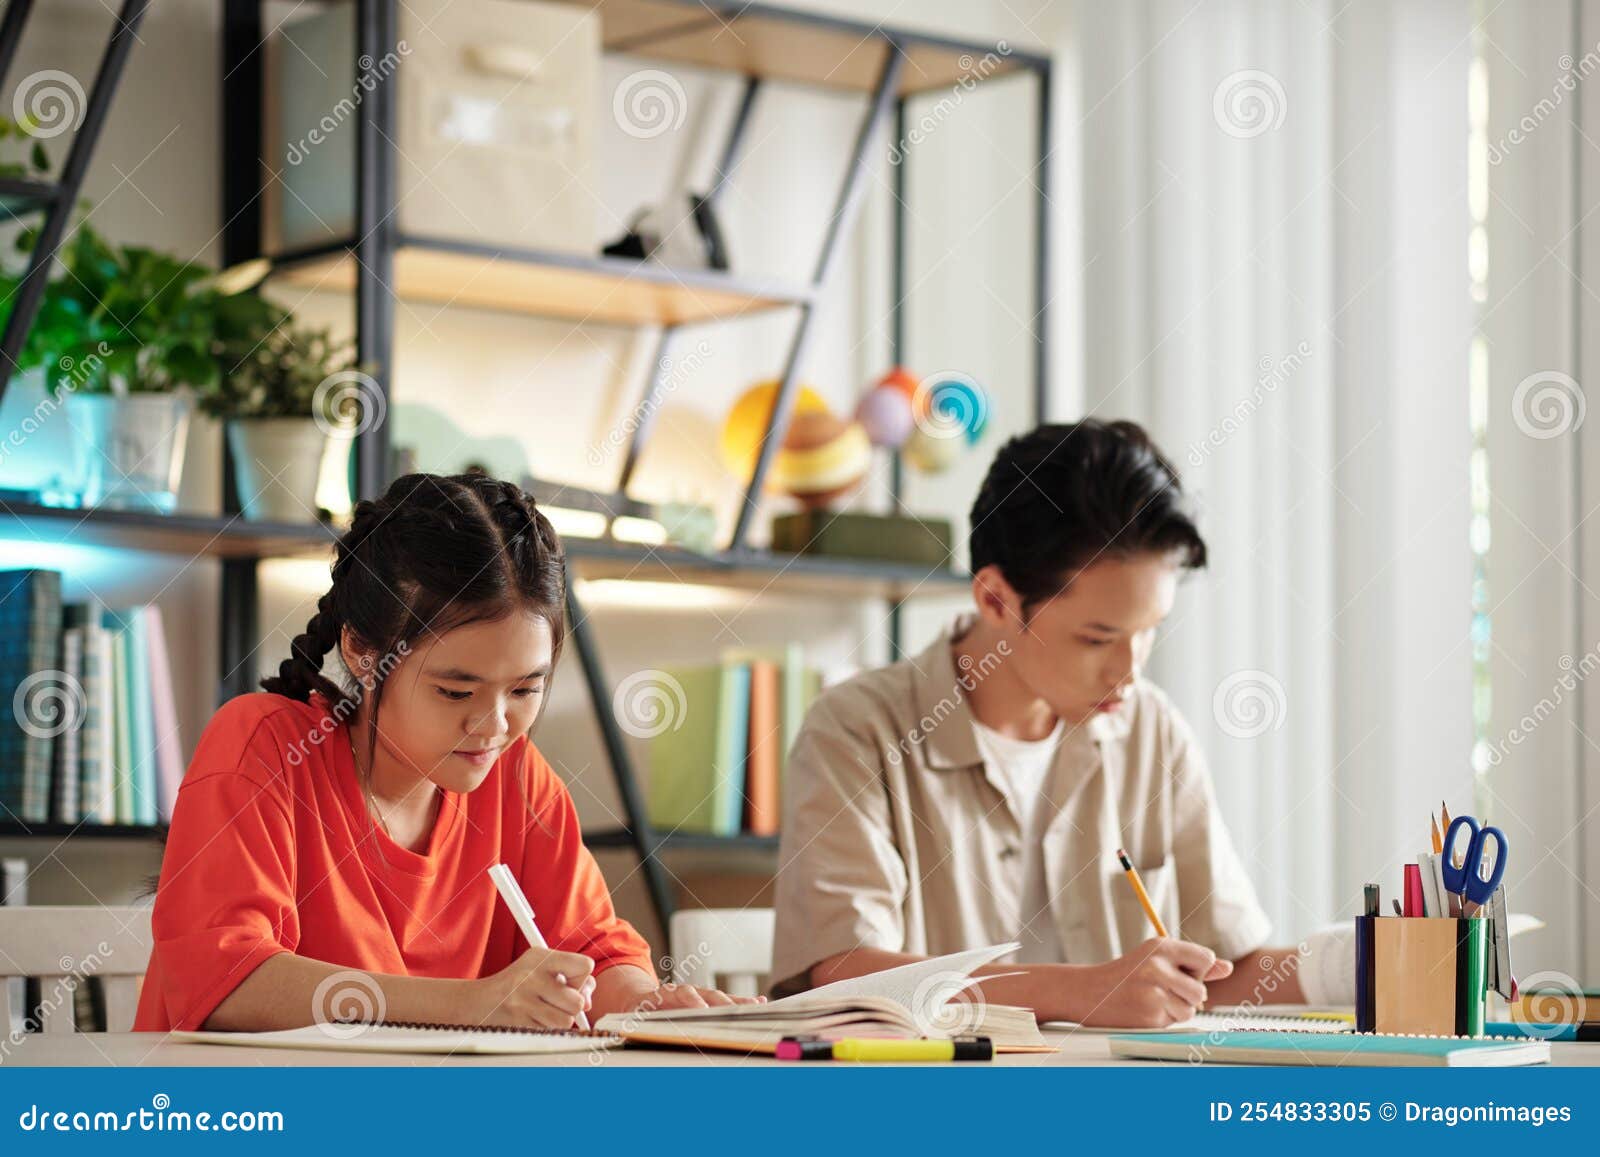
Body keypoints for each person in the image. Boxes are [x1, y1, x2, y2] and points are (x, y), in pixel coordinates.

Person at [135, 473, 754, 1032]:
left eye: (524, 689)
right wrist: (475, 1004)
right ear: (362, 652)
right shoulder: (264, 746)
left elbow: (593, 955)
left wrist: (642, 1001)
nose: (492, 725)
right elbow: (226, 986)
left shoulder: (517, 780)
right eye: (455, 689)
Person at [773, 420, 1339, 1026]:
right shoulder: (857, 730)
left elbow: (1224, 973)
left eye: (1149, 632)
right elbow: (842, 971)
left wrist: (1355, 962)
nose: (1129, 670)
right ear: (995, 600)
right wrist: (1084, 991)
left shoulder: (1151, 729)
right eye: (1098, 638)